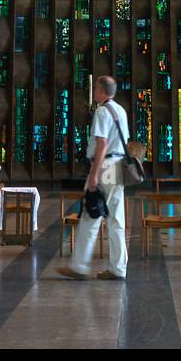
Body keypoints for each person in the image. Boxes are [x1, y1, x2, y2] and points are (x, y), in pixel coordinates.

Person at [58, 76, 130, 281]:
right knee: (116, 220)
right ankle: (118, 269)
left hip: (105, 166)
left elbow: (102, 144)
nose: (94, 92)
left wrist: (93, 174)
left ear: (101, 91)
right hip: (118, 167)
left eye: (96, 88)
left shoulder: (101, 111)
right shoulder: (121, 111)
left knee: (91, 214)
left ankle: (79, 267)